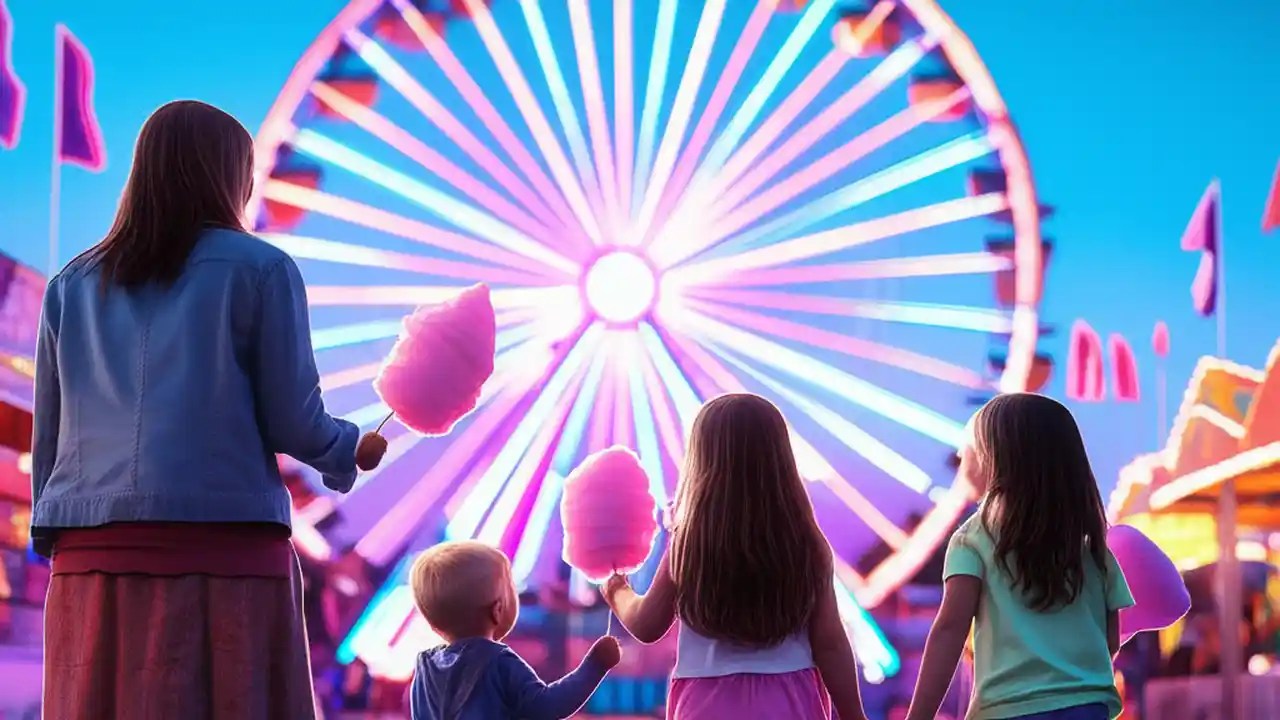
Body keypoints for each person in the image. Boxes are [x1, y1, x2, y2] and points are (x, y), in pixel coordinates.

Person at [31, 100, 387, 718]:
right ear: (230, 176)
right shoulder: (262, 270)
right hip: (223, 551)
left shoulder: (71, 284)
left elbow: (50, 433)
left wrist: (58, 534)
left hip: (90, 558)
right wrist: (348, 448)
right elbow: (292, 420)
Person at [602, 393, 867, 720]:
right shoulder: (806, 543)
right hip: (790, 697)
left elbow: (647, 625)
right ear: (780, 459)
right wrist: (855, 715)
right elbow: (831, 643)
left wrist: (617, 591)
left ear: (701, 459)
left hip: (706, 701)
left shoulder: (691, 542)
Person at [906, 393, 1135, 720]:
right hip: (1087, 706)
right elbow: (1110, 637)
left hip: (1008, 709)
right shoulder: (1091, 546)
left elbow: (949, 631)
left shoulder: (973, 539)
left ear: (995, 459)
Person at [408, 540, 621, 719]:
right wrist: (595, 664)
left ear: (434, 625)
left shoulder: (425, 669)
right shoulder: (498, 661)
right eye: (512, 587)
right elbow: (546, 707)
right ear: (498, 611)